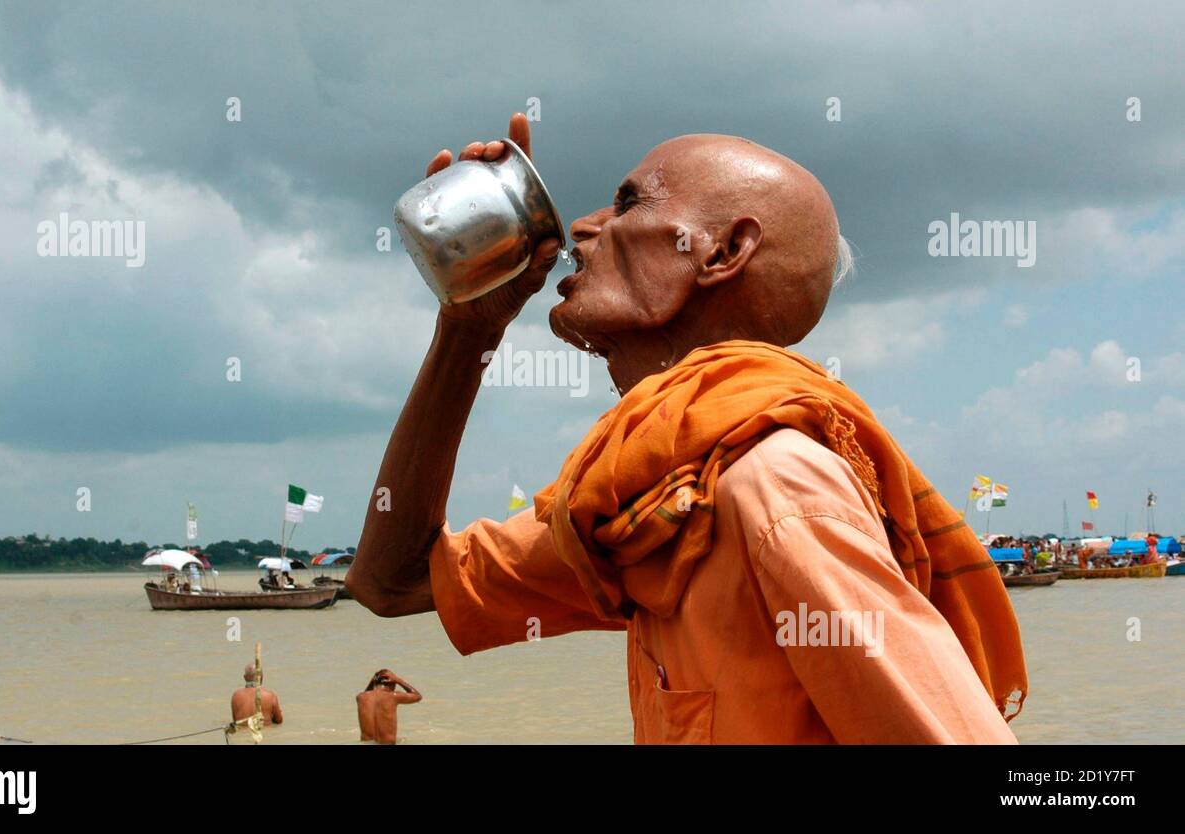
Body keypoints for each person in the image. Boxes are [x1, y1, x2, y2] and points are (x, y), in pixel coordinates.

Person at [346, 113, 1027, 744]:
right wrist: (468, 329)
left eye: (629, 203)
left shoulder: (776, 489)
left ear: (723, 251)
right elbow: (392, 580)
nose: (582, 226)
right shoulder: (645, 502)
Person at [356, 669, 421, 744]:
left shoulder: (361, 697)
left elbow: (367, 692)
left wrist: (372, 682)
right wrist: (398, 680)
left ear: (374, 682)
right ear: (393, 684)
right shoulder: (393, 696)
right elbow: (417, 696)